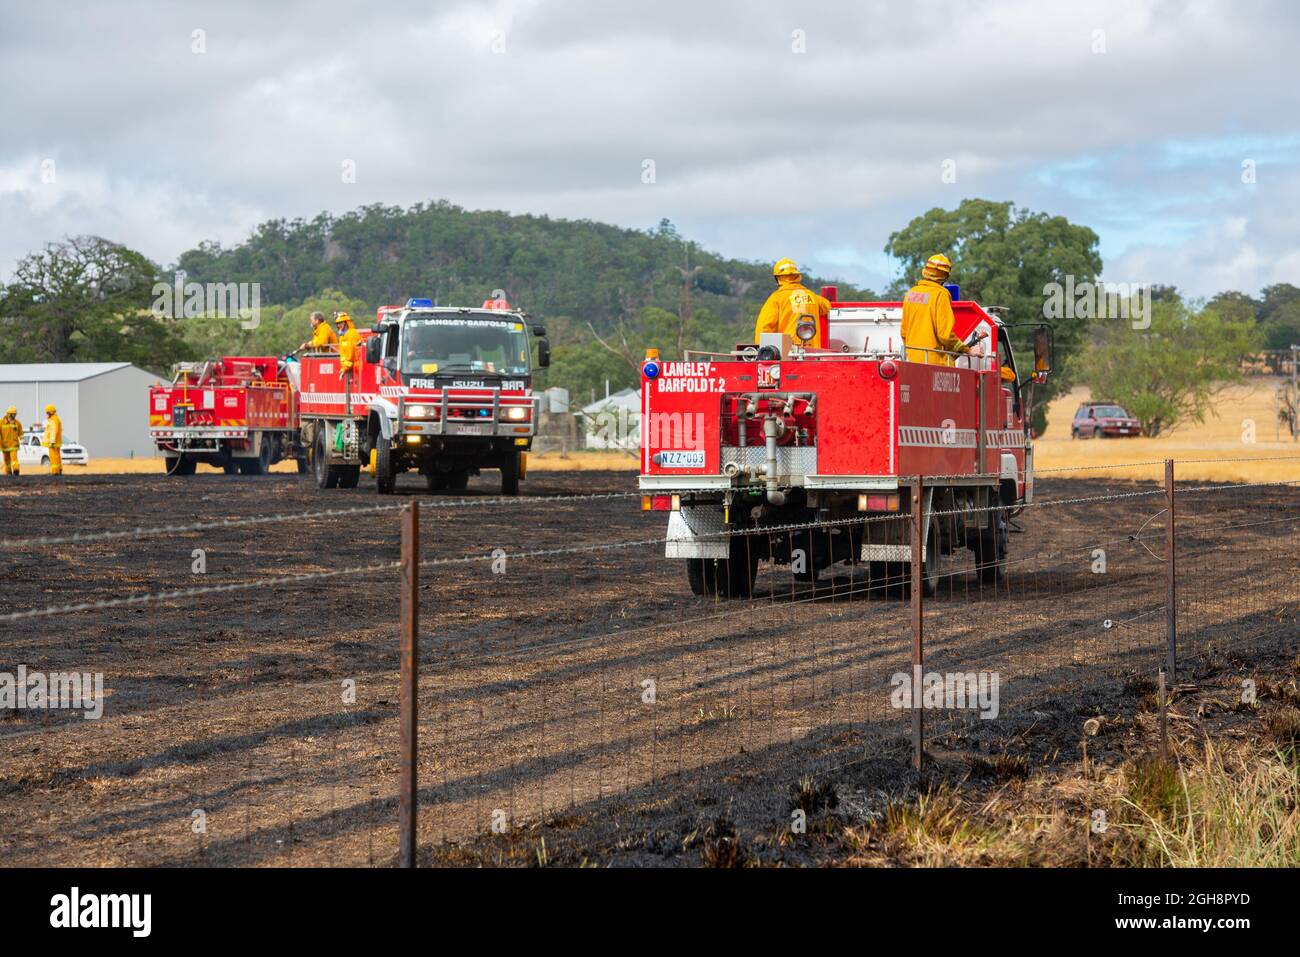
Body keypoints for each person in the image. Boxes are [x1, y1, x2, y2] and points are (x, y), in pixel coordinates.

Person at [900, 253, 969, 366]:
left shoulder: (910, 293)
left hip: (912, 362)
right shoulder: (941, 294)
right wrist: (966, 349)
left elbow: (904, 332)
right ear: (945, 277)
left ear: (925, 271)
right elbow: (944, 335)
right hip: (936, 364)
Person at [753, 258, 832, 348]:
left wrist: (762, 351)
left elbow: (764, 328)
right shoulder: (812, 296)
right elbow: (827, 306)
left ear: (777, 278)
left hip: (789, 354)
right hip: (813, 355)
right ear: (797, 276)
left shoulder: (776, 299)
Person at [335, 312, 362, 378]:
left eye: (341, 323)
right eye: (337, 323)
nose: (339, 325)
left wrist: (344, 368)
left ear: (346, 323)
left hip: (356, 368)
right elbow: (343, 354)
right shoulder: (342, 336)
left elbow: (350, 355)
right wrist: (344, 368)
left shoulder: (352, 334)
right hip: (349, 368)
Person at [1, 406, 22, 476]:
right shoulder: (1, 423)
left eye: (15, 414)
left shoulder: (17, 423)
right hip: (4, 445)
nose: (15, 415)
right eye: (13, 414)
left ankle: (16, 471)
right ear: (9, 414)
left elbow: (20, 433)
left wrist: (22, 439)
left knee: (14, 460)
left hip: (14, 445)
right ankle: (8, 472)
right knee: (7, 461)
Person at [43, 404, 63, 475]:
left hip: (53, 442)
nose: (46, 414)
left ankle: (55, 471)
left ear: (50, 412)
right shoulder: (56, 419)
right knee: (57, 456)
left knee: (53, 457)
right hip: (56, 441)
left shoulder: (53, 420)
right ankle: (59, 470)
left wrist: (52, 441)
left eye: (47, 412)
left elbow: (54, 431)